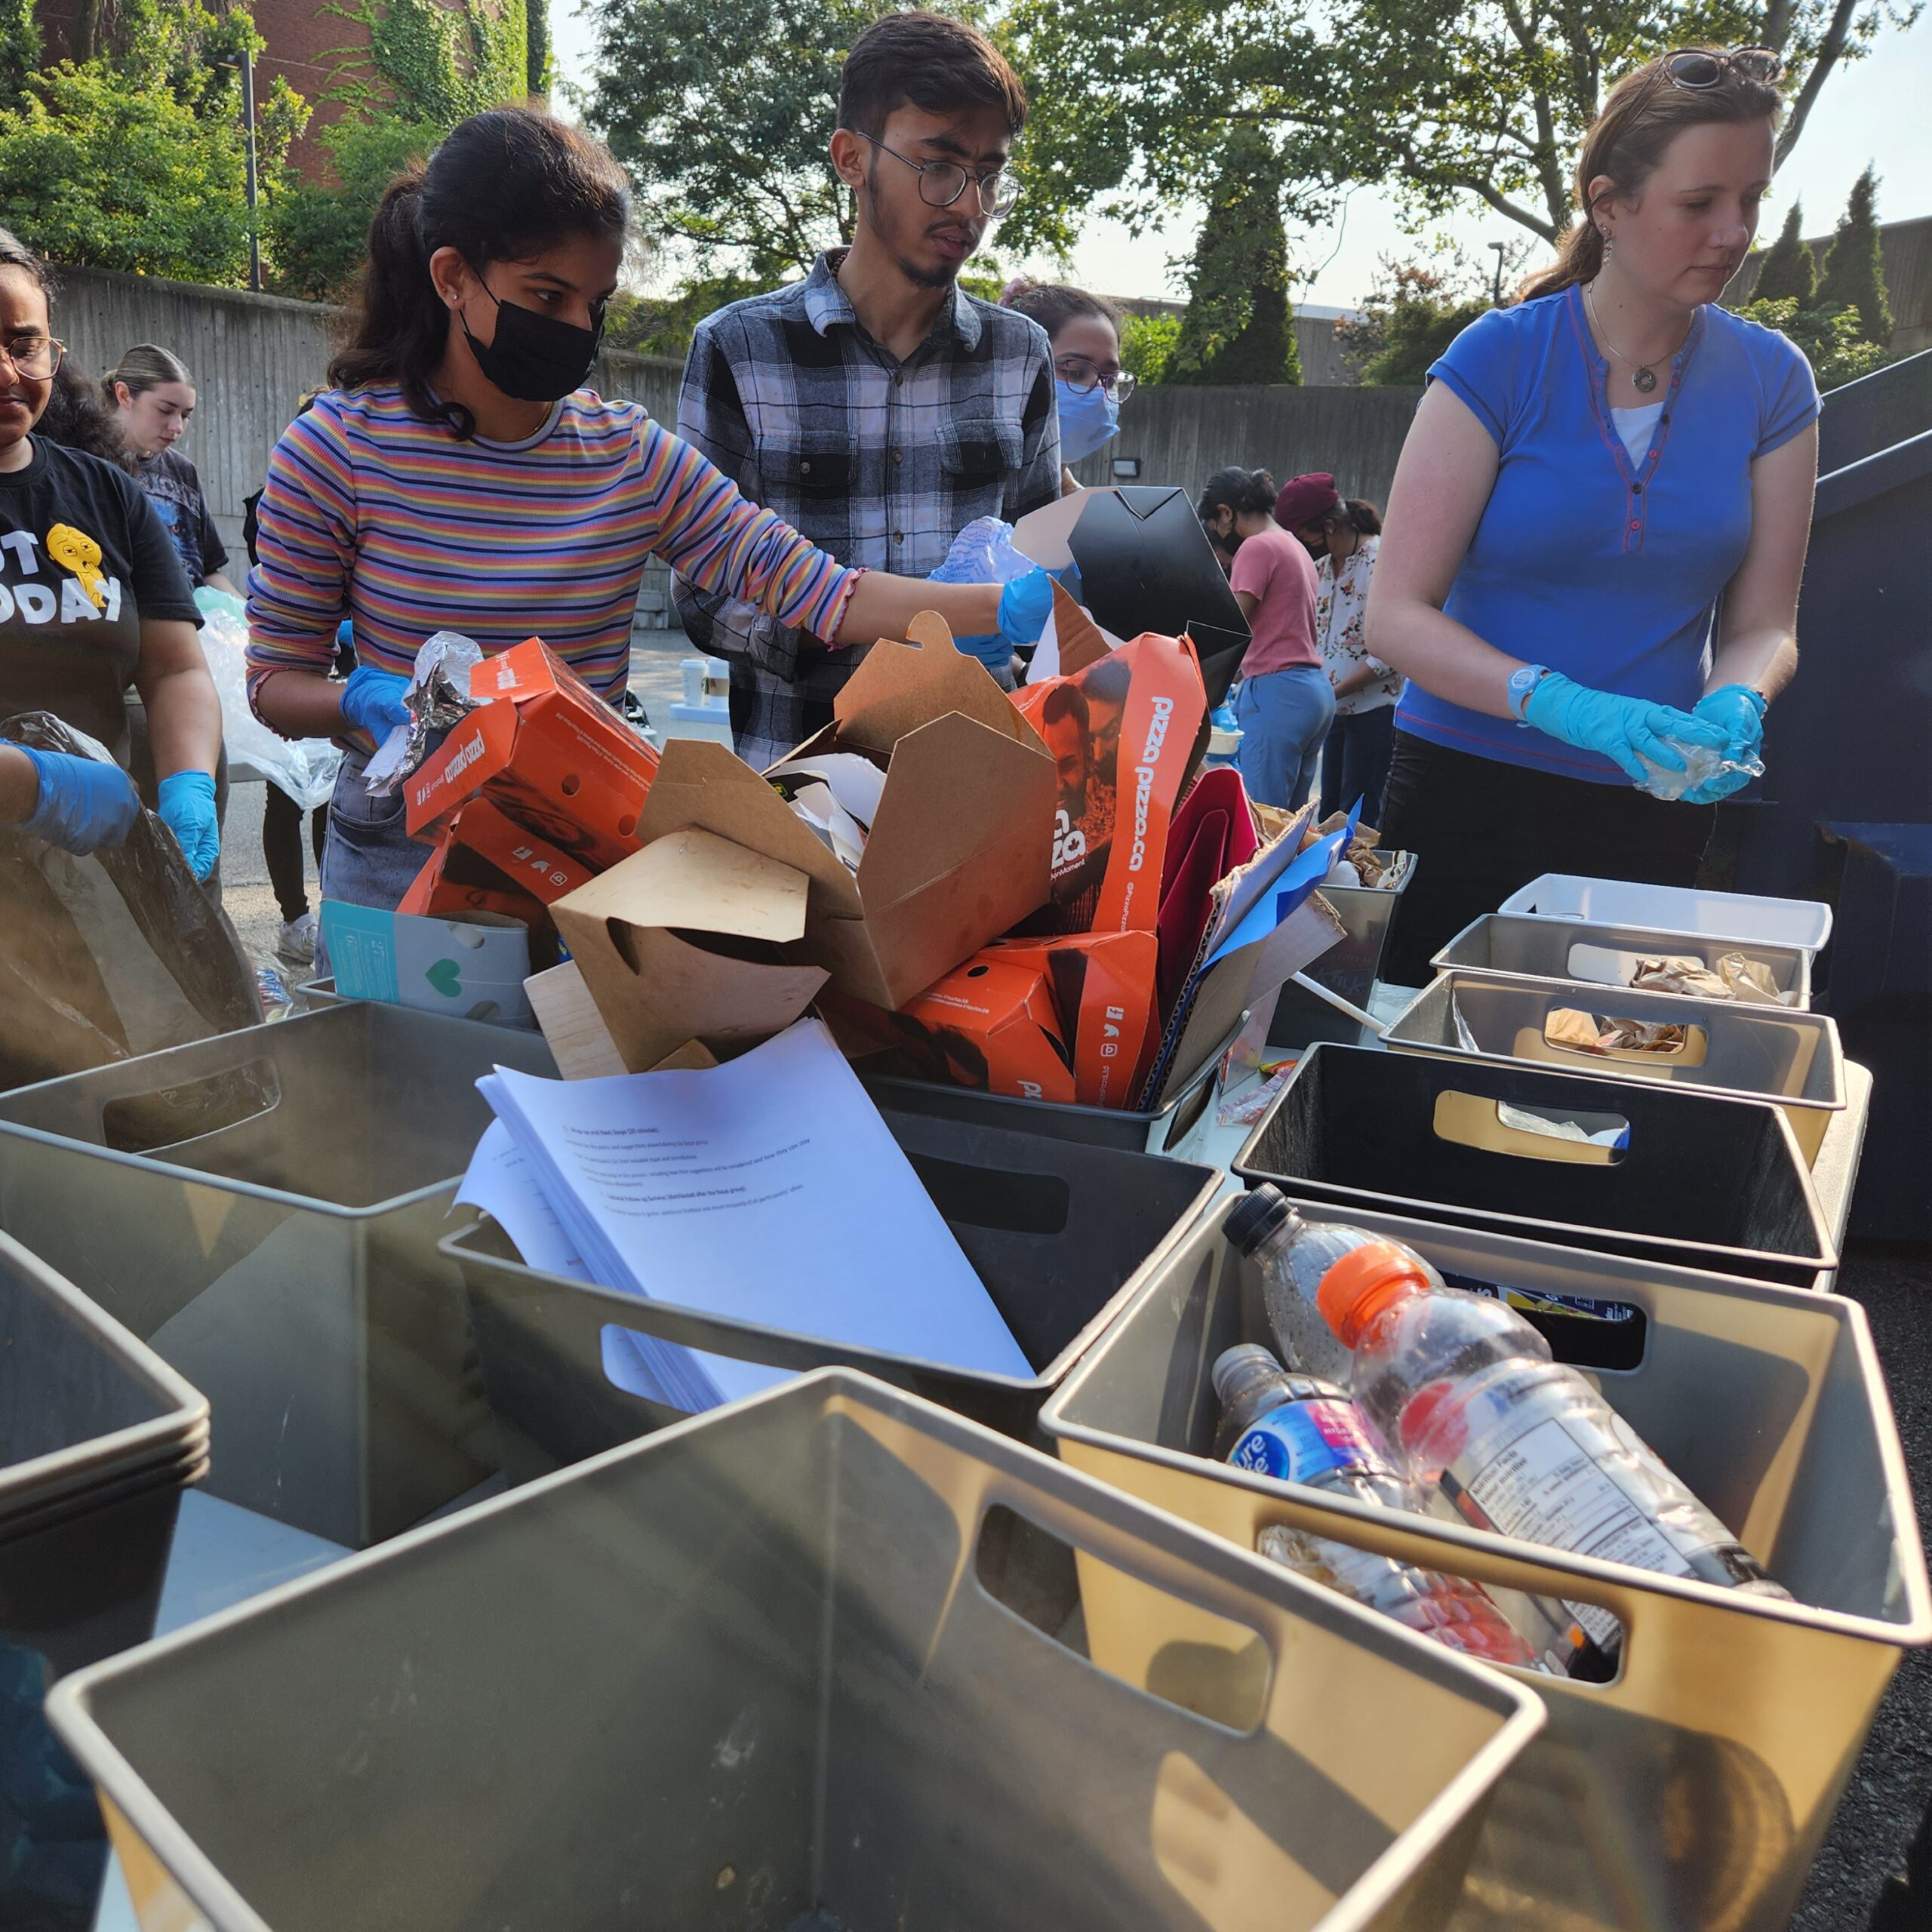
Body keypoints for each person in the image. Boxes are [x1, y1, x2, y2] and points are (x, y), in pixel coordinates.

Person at [246, 105, 1055, 915]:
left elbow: (817, 590)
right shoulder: (336, 452)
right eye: (547, 294)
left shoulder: (627, 453)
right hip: (401, 857)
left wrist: (1008, 605)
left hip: (579, 851)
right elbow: (274, 684)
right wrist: (360, 699)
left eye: (595, 304)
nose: (574, 328)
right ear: (454, 276)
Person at [1366, 45, 1815, 983]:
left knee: (1608, 1080)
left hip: (1646, 809)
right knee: (1425, 1087)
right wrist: (1556, 701)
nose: (1733, 233)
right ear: (1609, 205)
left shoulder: (1773, 381)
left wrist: (1737, 695)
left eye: (1751, 200)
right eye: (1700, 204)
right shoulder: (1499, 358)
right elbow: (1395, 616)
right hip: (1460, 790)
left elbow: (1765, 623)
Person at [675, 11, 1062, 764]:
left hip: (970, 782)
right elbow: (701, 594)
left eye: (989, 175)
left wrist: (1026, 629)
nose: (969, 206)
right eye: (940, 166)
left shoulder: (1020, 356)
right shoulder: (741, 348)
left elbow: (1045, 579)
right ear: (852, 158)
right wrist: (865, 622)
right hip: (794, 789)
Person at [0, 231, 222, 881]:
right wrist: (33, 784)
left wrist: (189, 785)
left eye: (24, 344)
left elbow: (174, 669)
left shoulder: (107, 493)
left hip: (94, 867)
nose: (7, 373)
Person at [1199, 466, 1334, 811]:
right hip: (1312, 692)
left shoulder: (1257, 547)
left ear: (1225, 513)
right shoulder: (1292, 544)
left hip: (1278, 692)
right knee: (1289, 822)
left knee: (1262, 821)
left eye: (1214, 527)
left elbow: (1231, 624)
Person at [106, 345, 238, 598]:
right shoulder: (88, 464)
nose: (177, 426)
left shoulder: (183, 470)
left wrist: (248, 621)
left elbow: (209, 570)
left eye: (186, 415)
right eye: (165, 410)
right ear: (124, 395)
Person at [1000, 279, 1136, 493]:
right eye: (1075, 372)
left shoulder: (1090, 515)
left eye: (1110, 379)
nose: (1099, 393)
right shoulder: (956, 496)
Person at [1310, 498, 1398, 823]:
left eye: (1311, 537)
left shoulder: (1380, 562)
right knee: (1329, 807)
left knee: (1357, 812)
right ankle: (1327, 874)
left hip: (1373, 708)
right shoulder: (1322, 568)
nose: (1309, 545)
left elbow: (1391, 652)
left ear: (1330, 527)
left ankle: (1355, 875)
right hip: (1334, 706)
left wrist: (1336, 691)